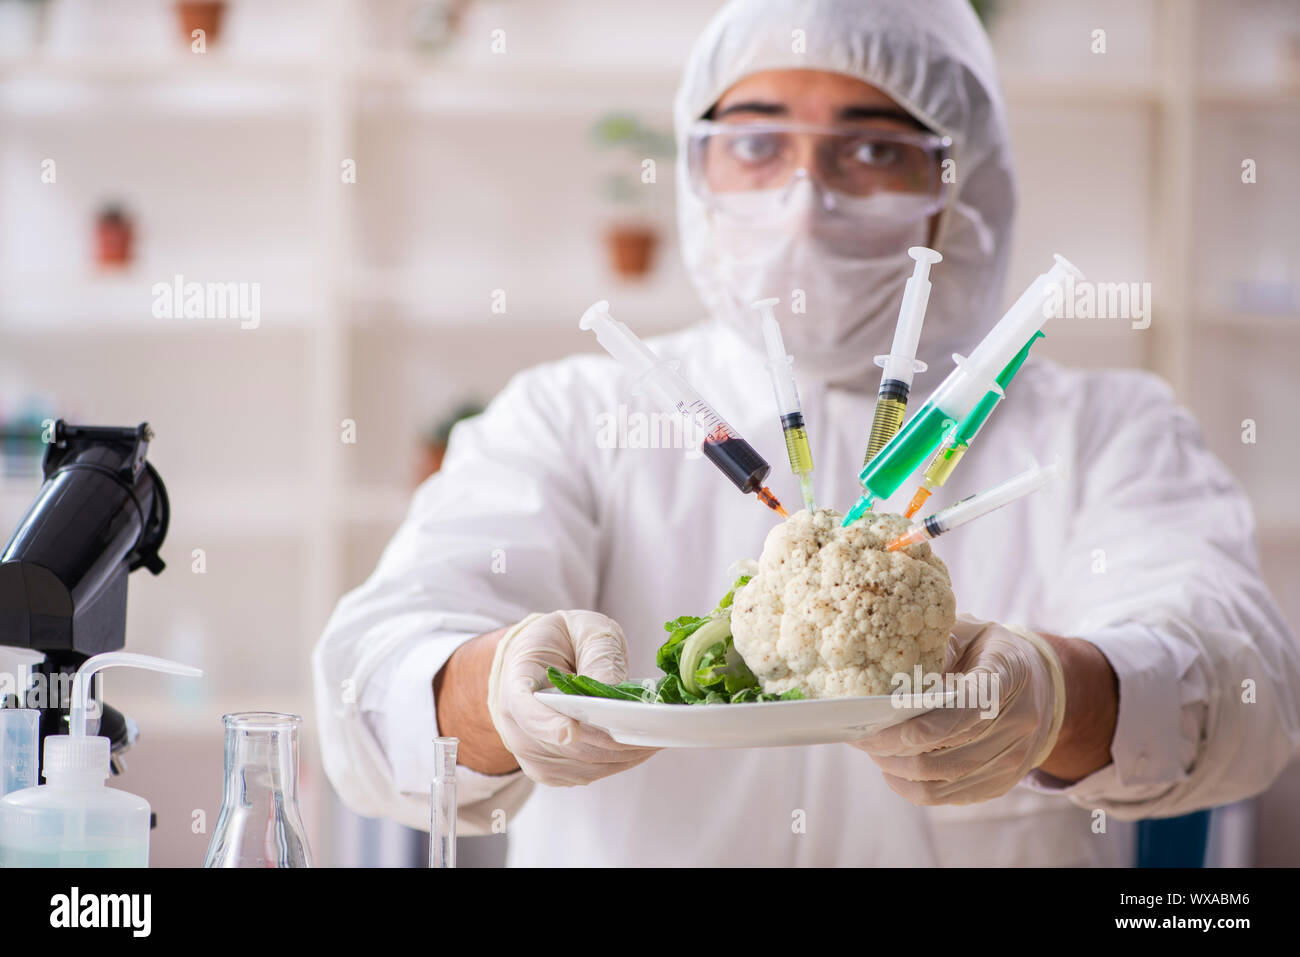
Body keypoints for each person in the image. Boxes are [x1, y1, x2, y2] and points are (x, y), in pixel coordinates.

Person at [312, 0, 1300, 866]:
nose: (805, 197)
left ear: (963, 181)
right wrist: (499, 690)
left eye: (872, 148)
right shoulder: (571, 413)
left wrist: (1055, 695)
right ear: (697, 165)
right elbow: (366, 685)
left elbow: (1247, 693)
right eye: (754, 140)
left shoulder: (1106, 430)